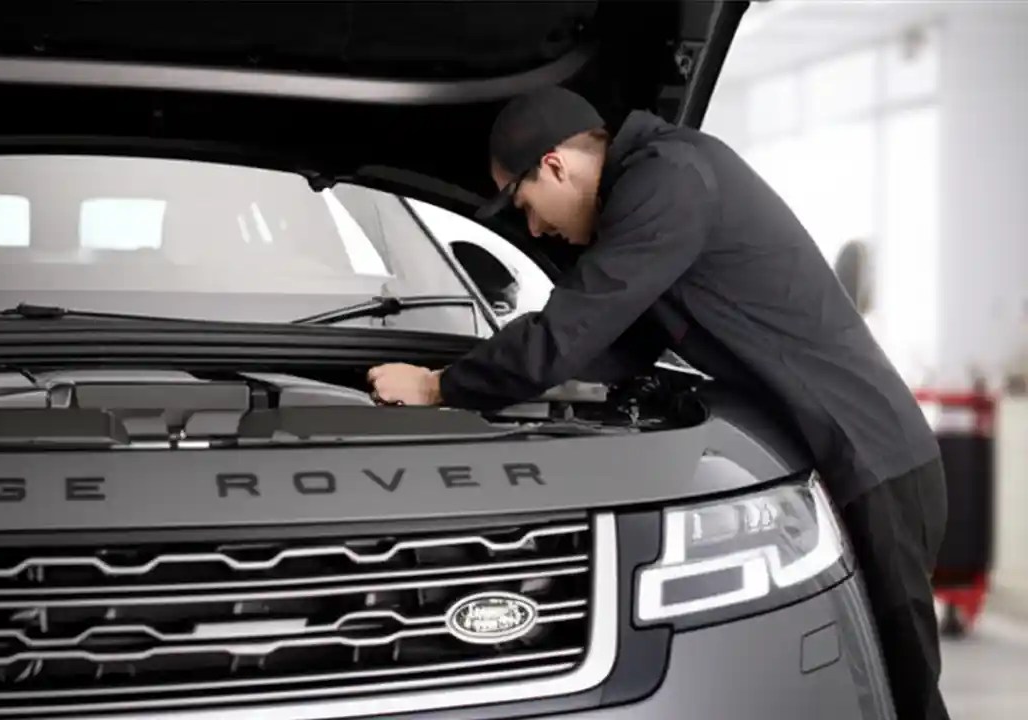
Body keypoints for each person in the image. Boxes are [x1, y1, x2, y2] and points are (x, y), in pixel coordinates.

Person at [367, 86, 950, 719]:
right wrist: (533, 396)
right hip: (848, 458)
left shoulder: (668, 181)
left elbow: (570, 331)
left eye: (526, 205)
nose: (534, 228)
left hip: (875, 463)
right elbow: (615, 346)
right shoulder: (655, 196)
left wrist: (438, 387)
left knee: (903, 695)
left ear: (557, 165)